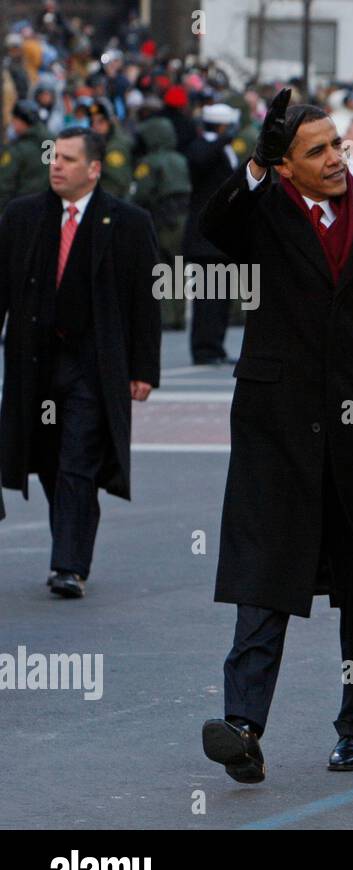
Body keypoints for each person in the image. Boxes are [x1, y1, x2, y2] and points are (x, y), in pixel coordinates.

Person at [198, 89, 353, 783]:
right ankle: (244, 726)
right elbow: (213, 228)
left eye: (337, 144)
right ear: (285, 168)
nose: (336, 159)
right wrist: (252, 161)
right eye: (317, 151)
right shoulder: (264, 214)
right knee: (264, 575)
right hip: (274, 427)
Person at [0, 127, 162, 598]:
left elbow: (145, 302)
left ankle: (68, 565)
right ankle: (70, 541)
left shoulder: (128, 222)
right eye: (54, 157)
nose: (56, 165)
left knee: (78, 458)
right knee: (49, 459)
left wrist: (144, 369)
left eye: (68, 159)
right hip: (36, 361)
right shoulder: (22, 216)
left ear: (93, 168)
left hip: (93, 363)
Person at [183, 102, 240, 365]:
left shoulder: (225, 148)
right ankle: (204, 347)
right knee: (208, 296)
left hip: (225, 234)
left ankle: (216, 345)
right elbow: (199, 160)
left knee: (222, 297)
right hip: (205, 236)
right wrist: (221, 138)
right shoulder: (201, 146)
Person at [131, 114, 191, 330]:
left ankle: (166, 316)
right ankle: (179, 316)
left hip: (162, 218)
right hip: (183, 217)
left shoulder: (149, 162)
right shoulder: (181, 159)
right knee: (178, 267)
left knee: (162, 266)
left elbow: (142, 193)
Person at [0, 100, 52, 212]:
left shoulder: (16, 150)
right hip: (50, 209)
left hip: (21, 211)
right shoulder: (52, 141)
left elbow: (4, 185)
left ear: (20, 121)